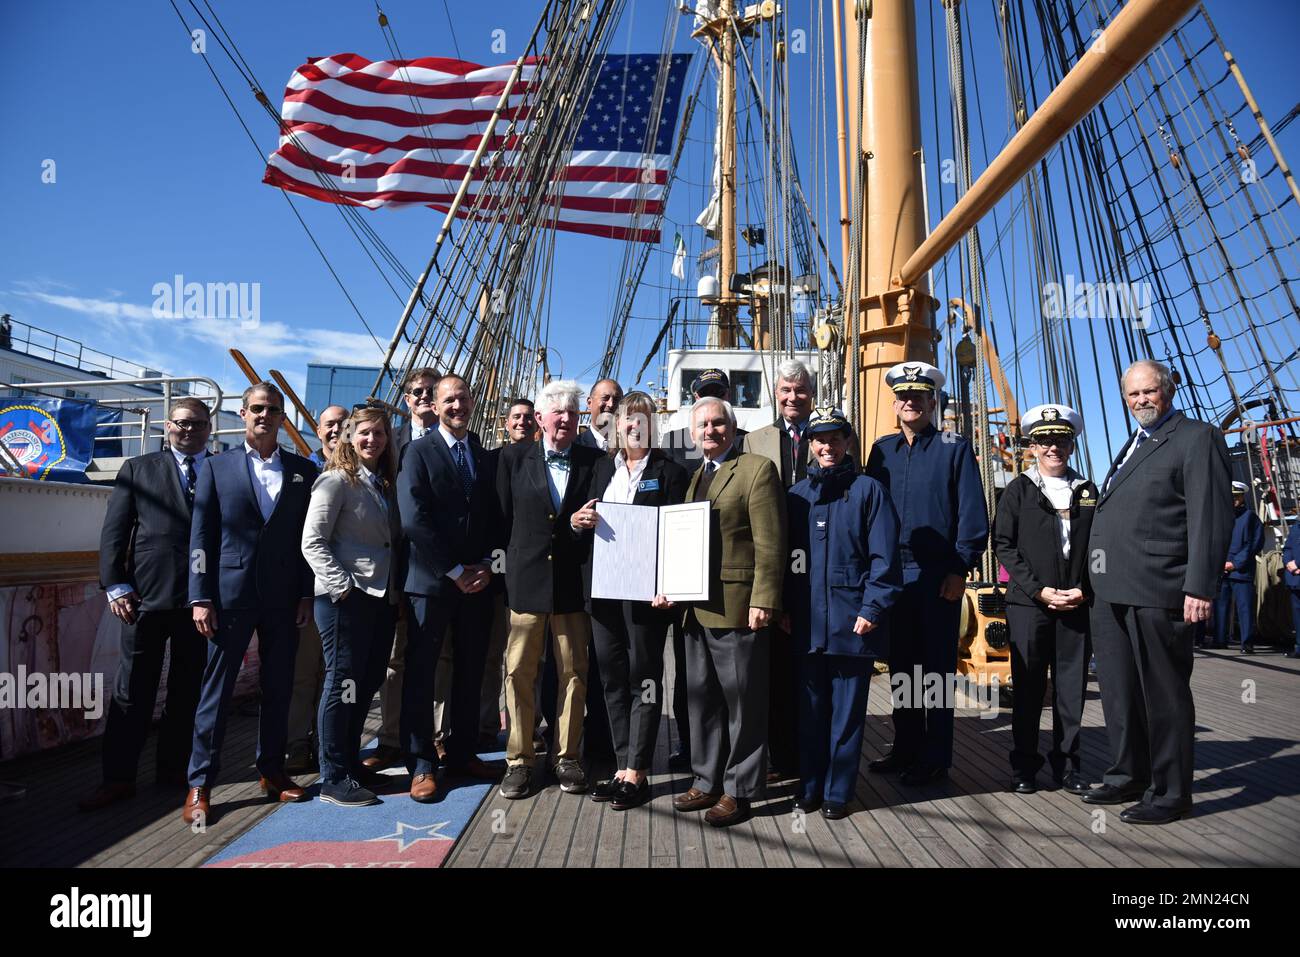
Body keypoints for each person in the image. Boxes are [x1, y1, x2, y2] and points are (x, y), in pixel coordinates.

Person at [1085, 359, 1232, 825]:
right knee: (1119, 690)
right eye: (1133, 395)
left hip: (1161, 587)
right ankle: (1129, 772)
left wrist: (1200, 585)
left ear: (1168, 390)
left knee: (1164, 693)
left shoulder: (1196, 438)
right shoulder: (1135, 443)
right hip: (1111, 591)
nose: (1141, 401)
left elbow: (1210, 515)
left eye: (1150, 391)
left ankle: (1170, 792)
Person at [183, 383, 317, 824]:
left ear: (283, 418)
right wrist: (200, 596)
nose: (264, 415)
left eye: (273, 410)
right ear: (243, 414)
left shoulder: (303, 471)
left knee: (278, 688)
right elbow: (200, 535)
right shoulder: (217, 467)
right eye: (257, 408)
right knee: (216, 693)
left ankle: (272, 770)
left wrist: (303, 592)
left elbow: (305, 541)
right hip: (229, 598)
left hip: (282, 600)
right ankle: (201, 783)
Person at [80, 399, 213, 812]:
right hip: (143, 599)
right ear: (167, 424)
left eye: (197, 424)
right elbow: (114, 532)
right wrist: (115, 585)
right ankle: (118, 778)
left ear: (210, 428)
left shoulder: (222, 470)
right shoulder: (138, 469)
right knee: (132, 690)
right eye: (181, 423)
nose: (188, 430)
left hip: (200, 602)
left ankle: (172, 770)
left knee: (187, 690)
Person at [865, 361, 988, 785]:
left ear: (933, 401)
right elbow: (869, 513)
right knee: (902, 666)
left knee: (934, 670)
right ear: (895, 402)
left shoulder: (954, 449)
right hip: (893, 576)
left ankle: (935, 756)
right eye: (903, 396)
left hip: (937, 576)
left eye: (918, 395)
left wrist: (959, 569)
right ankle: (905, 748)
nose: (910, 402)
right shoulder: (881, 451)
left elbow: (972, 516)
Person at [571, 391, 690, 810]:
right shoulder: (601, 468)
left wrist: (670, 584)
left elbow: (681, 535)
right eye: (627, 420)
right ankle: (621, 764)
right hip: (603, 591)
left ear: (651, 426)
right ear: (616, 426)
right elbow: (577, 516)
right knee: (612, 677)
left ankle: (637, 769)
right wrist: (577, 521)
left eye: (643, 420)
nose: (634, 427)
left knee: (645, 677)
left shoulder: (671, 472)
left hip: (646, 596)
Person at [672, 397, 785, 827]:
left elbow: (770, 541)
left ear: (733, 428)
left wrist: (765, 599)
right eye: (702, 425)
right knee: (702, 700)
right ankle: (706, 779)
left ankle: (740, 790)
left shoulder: (756, 470)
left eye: (719, 423)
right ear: (693, 431)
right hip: (696, 608)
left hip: (739, 607)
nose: (710, 431)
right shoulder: (696, 476)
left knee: (744, 703)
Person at [784, 408, 901, 820]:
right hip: (807, 625)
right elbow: (785, 561)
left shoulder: (869, 491)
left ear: (847, 441)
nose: (827, 446)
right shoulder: (796, 497)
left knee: (847, 716)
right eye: (820, 439)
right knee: (810, 714)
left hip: (853, 623)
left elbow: (885, 558)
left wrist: (873, 607)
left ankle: (838, 790)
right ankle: (810, 785)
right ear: (810, 445)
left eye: (835, 438)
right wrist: (784, 608)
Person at [397, 374, 503, 801]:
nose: (457, 406)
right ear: (435, 407)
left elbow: (498, 516)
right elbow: (413, 518)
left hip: (477, 583)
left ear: (472, 401)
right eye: (448, 400)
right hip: (432, 582)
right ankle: (422, 763)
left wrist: (488, 568)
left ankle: (461, 752)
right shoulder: (417, 453)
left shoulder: (484, 455)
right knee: (421, 673)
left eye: (463, 398)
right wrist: (455, 569)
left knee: (471, 669)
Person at [496, 380, 602, 799]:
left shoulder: (597, 462)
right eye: (556, 412)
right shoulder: (510, 459)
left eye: (572, 413)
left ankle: (567, 756)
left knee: (573, 673)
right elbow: (501, 521)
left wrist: (581, 529)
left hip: (573, 585)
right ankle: (519, 760)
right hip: (525, 582)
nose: (564, 418)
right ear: (539, 419)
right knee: (519, 671)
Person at [992, 404, 1096, 795]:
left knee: (1071, 692)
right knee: (1029, 689)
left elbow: (1100, 547)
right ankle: (1025, 768)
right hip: (1029, 606)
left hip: (1075, 604)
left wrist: (1084, 588)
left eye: (1061, 440)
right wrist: (1038, 589)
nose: (1054, 447)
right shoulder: (1019, 490)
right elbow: (1004, 544)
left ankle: (1068, 767)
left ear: (1071, 444)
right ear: (1033, 446)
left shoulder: (1087, 491)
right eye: (1045, 441)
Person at [301, 407, 401, 807]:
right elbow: (313, 541)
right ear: (348, 436)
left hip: (380, 599)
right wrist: (343, 588)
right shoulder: (334, 481)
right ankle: (333, 775)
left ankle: (349, 761)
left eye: (379, 433)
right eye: (364, 433)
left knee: (366, 679)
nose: (371, 440)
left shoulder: (381, 483)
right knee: (342, 683)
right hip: (346, 599)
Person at [364, 367, 442, 773]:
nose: (425, 397)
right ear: (407, 399)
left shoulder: (457, 443)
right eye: (418, 392)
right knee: (396, 659)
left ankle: (437, 738)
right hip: (396, 564)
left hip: (441, 569)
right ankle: (391, 738)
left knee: (439, 657)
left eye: (432, 390)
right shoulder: (387, 443)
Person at [742, 357, 816, 782]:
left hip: (815, 564)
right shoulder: (755, 441)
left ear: (811, 394)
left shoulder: (831, 437)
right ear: (777, 394)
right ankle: (777, 755)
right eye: (786, 391)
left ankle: (806, 752)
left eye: (800, 391)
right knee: (772, 670)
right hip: (771, 566)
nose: (793, 398)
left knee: (809, 665)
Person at [287, 404, 351, 775]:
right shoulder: (301, 471)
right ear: (317, 428)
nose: (337, 430)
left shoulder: (361, 475)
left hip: (349, 593)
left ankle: (334, 745)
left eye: (344, 425)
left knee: (340, 674)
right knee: (304, 672)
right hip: (311, 591)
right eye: (330, 424)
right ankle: (297, 744)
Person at [1211, 481, 1264, 652]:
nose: (1234, 499)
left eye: (1237, 496)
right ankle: (1220, 639)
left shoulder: (1251, 517)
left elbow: (1253, 544)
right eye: (1231, 496)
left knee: (1244, 608)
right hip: (1222, 570)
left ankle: (1246, 643)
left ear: (1242, 497)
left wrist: (1234, 563)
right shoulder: (1221, 518)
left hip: (1241, 571)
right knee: (1220, 607)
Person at [576, 378, 624, 452]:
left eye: (616, 399)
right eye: (605, 398)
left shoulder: (630, 450)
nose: (611, 404)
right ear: (589, 403)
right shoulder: (574, 447)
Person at [1283, 523, 1300, 659]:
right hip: (1295, 578)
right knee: (1297, 615)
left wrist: (1298, 563)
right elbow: (1287, 548)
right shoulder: (1296, 527)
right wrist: (1288, 562)